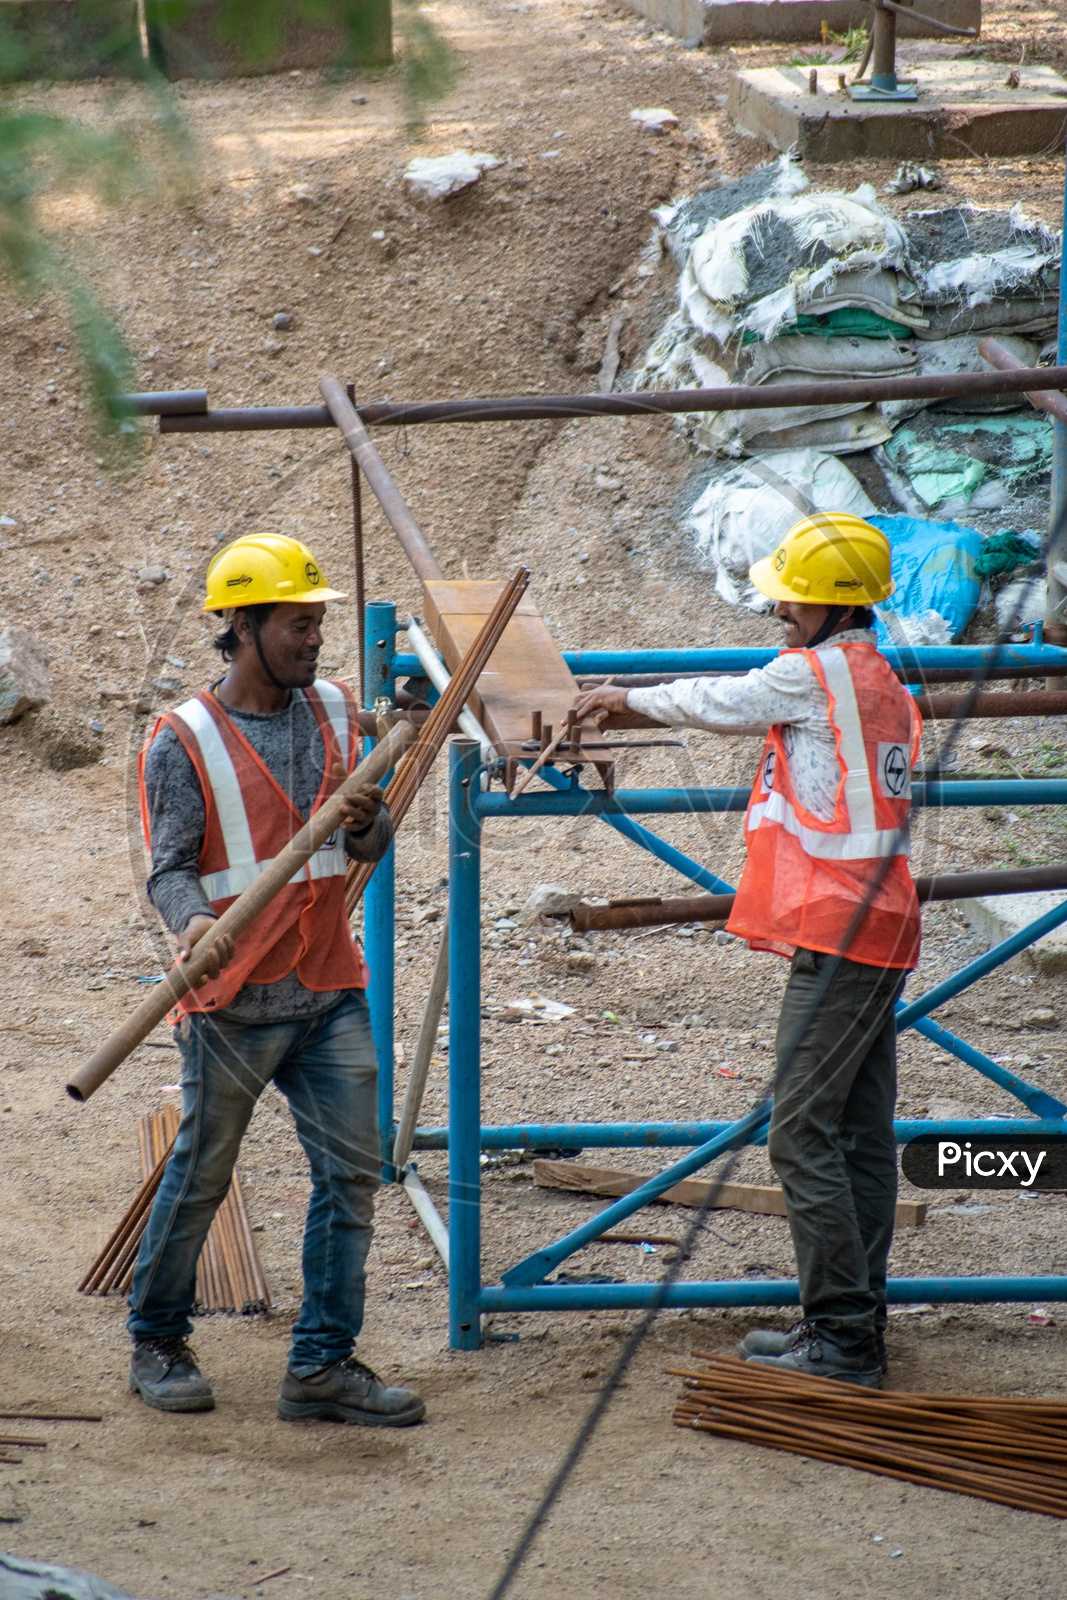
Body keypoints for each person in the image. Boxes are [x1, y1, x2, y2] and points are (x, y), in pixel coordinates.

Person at [575, 515, 921, 1389]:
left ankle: (842, 1338)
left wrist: (623, 698)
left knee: (802, 1132)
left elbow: (722, 702)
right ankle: (855, 1318)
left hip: (838, 932)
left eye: (786, 596)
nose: (776, 608)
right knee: (859, 1134)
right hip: (882, 927)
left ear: (822, 601)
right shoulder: (879, 678)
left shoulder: (814, 674)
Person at [129, 532, 425, 1426]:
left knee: (350, 1178)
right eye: (297, 624)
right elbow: (171, 868)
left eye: (316, 623)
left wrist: (369, 823)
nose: (314, 640)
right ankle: (157, 1338)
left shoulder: (335, 712)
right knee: (202, 1173)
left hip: (327, 986)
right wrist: (193, 923)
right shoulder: (184, 739)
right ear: (243, 626)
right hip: (234, 1000)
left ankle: (323, 1365)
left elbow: (363, 847)